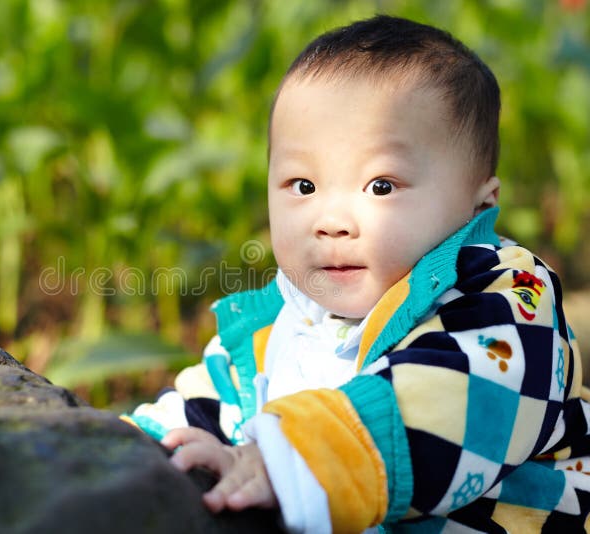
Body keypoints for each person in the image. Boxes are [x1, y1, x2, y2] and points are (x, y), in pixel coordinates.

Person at [122, 15, 590, 533]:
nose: (332, 223)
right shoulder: (276, 327)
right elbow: (207, 407)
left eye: (381, 186)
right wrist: (130, 448)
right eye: (303, 186)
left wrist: (288, 461)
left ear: (478, 203)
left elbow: (443, 400)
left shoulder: (507, 299)